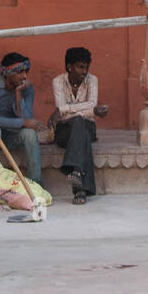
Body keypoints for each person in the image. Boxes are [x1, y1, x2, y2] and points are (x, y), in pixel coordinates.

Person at [49, 45, 108, 203]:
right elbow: (90, 107)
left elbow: (89, 104)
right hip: (64, 131)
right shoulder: (58, 81)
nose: (84, 71)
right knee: (81, 132)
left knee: (79, 124)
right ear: (69, 67)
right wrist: (90, 110)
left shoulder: (92, 80)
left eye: (86, 67)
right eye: (80, 67)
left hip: (88, 127)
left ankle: (75, 175)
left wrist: (64, 110)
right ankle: (79, 185)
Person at [0, 52, 45, 183]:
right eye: (19, 72)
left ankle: (36, 184)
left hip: (10, 136)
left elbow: (27, 119)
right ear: (7, 73)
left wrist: (19, 94)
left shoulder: (27, 88)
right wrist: (23, 122)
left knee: (29, 133)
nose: (24, 76)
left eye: (26, 72)